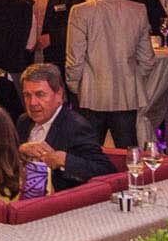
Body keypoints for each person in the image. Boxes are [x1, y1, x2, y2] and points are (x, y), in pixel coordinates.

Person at [65, 0, 155, 149]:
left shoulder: (81, 11)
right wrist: (134, 78)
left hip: (91, 93)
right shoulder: (137, 10)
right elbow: (147, 59)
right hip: (126, 93)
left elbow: (75, 58)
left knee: (89, 155)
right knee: (128, 156)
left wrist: (74, 86)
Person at [15, 63, 113, 191]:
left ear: (59, 95)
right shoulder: (24, 121)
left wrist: (63, 160)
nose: (32, 103)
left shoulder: (75, 126)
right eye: (27, 95)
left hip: (60, 204)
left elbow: (106, 170)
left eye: (40, 94)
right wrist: (20, 150)